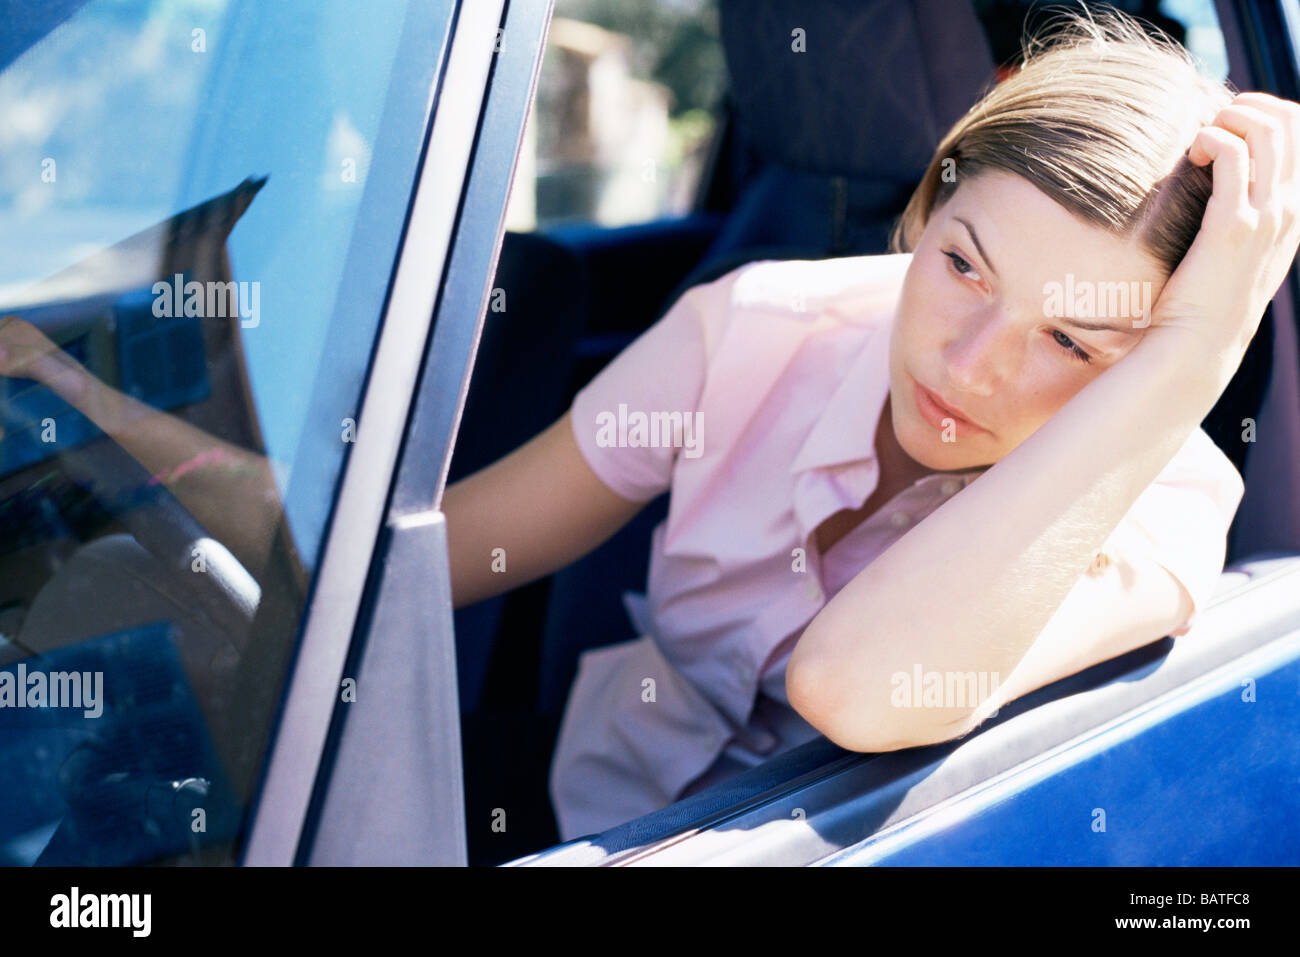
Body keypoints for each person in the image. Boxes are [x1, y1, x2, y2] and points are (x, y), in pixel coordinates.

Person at [443, 8, 1300, 842]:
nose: (968, 366)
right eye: (964, 264)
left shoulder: (1163, 505)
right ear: (926, 208)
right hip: (596, 792)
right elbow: (452, 552)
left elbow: (851, 686)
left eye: (1070, 339)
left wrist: (1195, 358)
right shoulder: (757, 326)